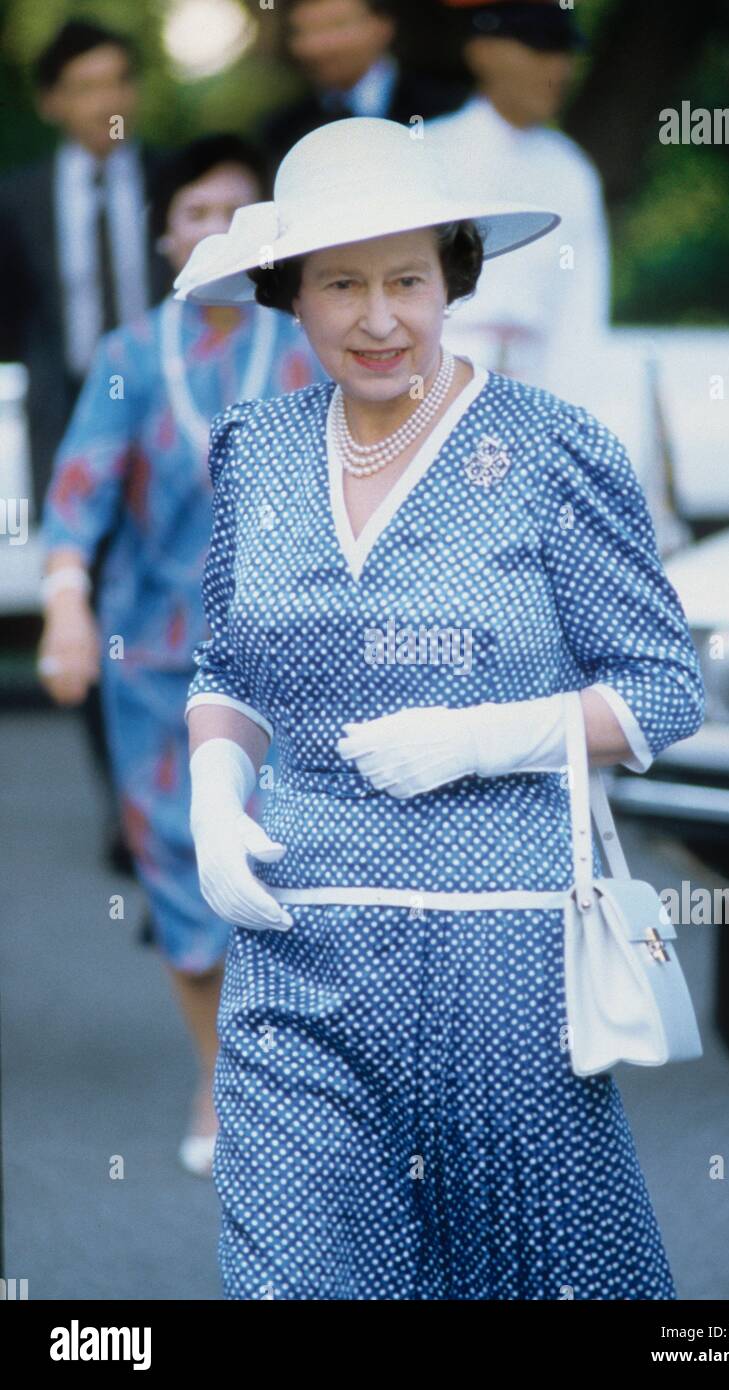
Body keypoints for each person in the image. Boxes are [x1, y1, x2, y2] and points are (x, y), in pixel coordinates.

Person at [177, 116, 704, 1299]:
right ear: (288, 297)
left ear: (454, 278)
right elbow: (225, 664)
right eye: (342, 284)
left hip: (502, 964)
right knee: (295, 1280)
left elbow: (665, 691)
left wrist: (486, 734)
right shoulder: (253, 449)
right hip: (295, 947)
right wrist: (215, 796)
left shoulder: (554, 449)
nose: (378, 318)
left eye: (407, 279)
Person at [35, 134, 324, 1178]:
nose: (213, 232)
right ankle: (216, 1070)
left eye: (236, 215)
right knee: (183, 874)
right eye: (195, 212)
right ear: (164, 232)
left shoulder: (309, 347)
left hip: (297, 665)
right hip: (155, 668)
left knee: (297, 867)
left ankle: (298, 1077)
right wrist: (66, 609)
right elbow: (77, 494)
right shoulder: (125, 356)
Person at [0, 20, 170, 874]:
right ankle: (128, 802)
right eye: (86, 86)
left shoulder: (174, 181)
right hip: (73, 427)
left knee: (175, 597)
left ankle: (190, 785)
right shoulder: (20, 196)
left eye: (119, 81)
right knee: (85, 612)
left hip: (171, 422)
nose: (108, 102)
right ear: (53, 101)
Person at [425, 0, 610, 403]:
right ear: (482, 51)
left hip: (538, 386)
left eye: (565, 53)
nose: (557, 70)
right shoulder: (426, 152)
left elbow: (580, 313)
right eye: (539, 50)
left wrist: (570, 411)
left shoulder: (571, 170)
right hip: (433, 383)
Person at [260, 0, 470, 168]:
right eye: (303, 31)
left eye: (336, 26)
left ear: (383, 26)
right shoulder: (283, 131)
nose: (318, 46)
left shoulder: (449, 107)